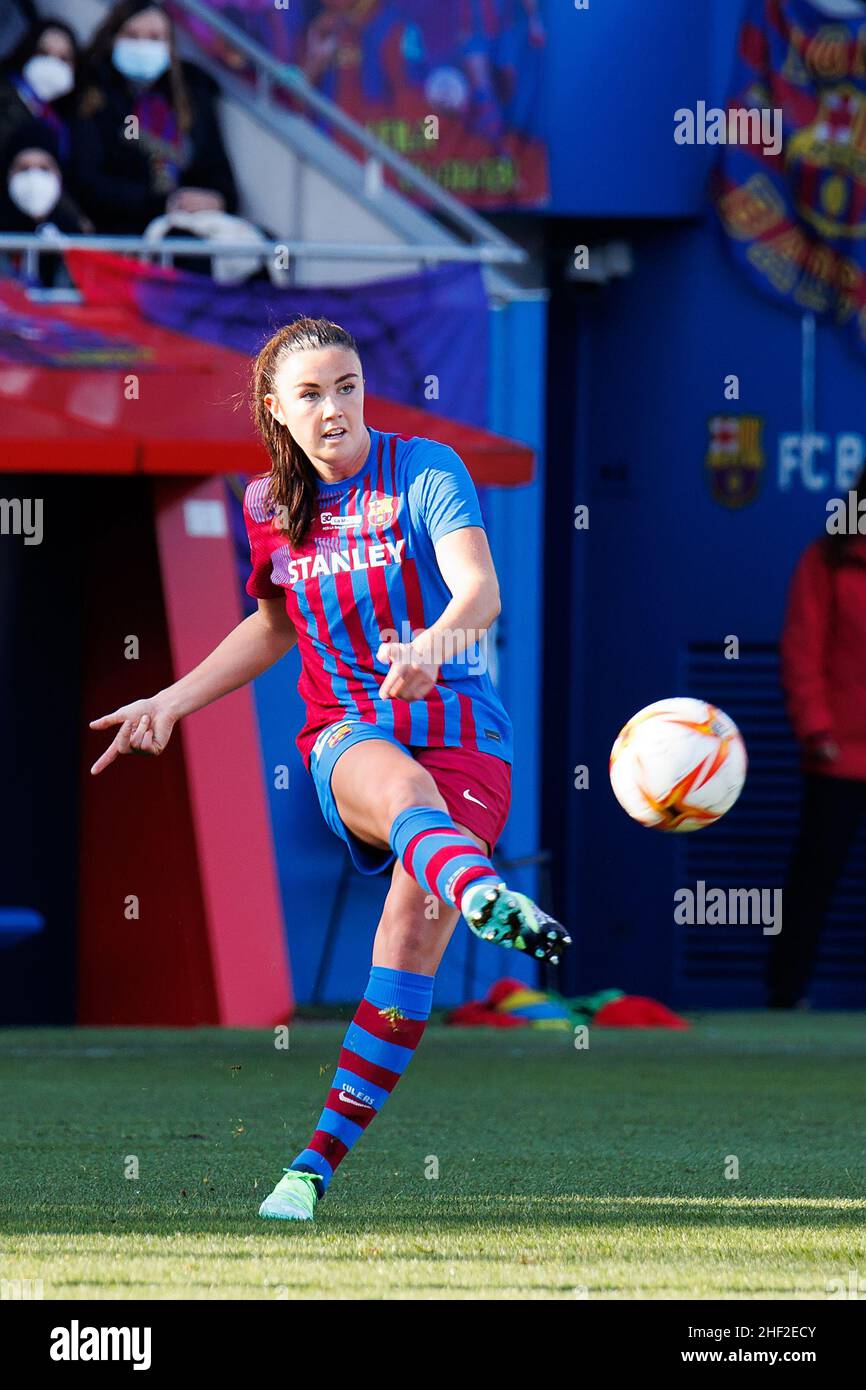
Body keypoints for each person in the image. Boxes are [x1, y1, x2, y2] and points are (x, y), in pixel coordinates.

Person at [89, 316, 572, 1222]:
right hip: (347, 729)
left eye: (346, 386)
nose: (334, 407)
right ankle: (481, 892)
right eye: (310, 394)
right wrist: (171, 700)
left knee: (408, 928)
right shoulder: (269, 504)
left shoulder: (426, 469)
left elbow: (482, 591)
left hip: (464, 727)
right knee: (403, 794)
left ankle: (308, 1171)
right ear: (275, 409)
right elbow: (274, 623)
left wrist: (432, 647)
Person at [768, 473, 866, 1007]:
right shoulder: (826, 560)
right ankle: (786, 994)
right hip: (840, 754)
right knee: (814, 880)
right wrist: (816, 729)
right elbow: (802, 648)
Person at [71, 1, 237, 235]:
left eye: (155, 38)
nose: (143, 45)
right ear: (112, 39)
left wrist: (214, 200)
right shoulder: (92, 96)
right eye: (132, 35)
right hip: (120, 235)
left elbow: (220, 178)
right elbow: (87, 184)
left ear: (169, 46)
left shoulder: (192, 97)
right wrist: (163, 204)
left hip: (187, 233)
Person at [0, 118, 90, 287]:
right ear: (8, 174)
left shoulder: (74, 231)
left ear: (58, 174)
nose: (34, 178)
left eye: (44, 168)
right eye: (24, 168)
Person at [0, 18, 80, 168]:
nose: (52, 64)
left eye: (64, 58)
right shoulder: (4, 94)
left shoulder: (63, 125)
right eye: (43, 53)